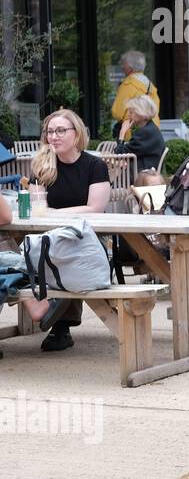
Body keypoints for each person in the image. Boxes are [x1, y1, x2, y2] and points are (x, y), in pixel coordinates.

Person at [26, 109, 111, 351]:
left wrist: (55, 214)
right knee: (18, 251)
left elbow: (95, 208)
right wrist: (51, 216)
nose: (54, 136)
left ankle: (60, 324)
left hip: (85, 237)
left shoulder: (94, 165)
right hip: (48, 234)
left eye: (61, 130)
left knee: (64, 252)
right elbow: (36, 207)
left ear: (77, 134)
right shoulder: (42, 166)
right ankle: (44, 309)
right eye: (50, 131)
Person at [110, 50, 162, 130]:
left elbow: (117, 112)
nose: (122, 67)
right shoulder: (150, 85)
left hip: (133, 131)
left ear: (129, 67)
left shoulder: (127, 85)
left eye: (124, 63)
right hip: (153, 130)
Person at [113, 95, 165, 172]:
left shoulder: (145, 133)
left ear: (142, 113)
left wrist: (122, 133)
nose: (128, 115)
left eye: (131, 112)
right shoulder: (150, 129)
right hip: (146, 172)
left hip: (143, 176)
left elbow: (120, 155)